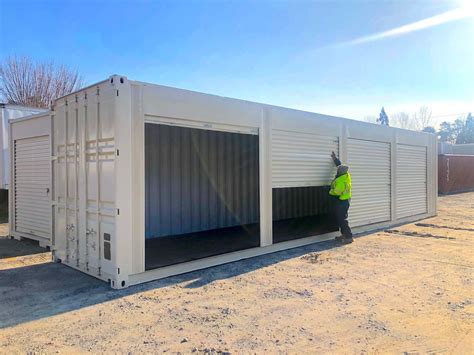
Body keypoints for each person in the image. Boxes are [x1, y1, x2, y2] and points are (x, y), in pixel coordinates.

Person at [329, 151, 353, 244]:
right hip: (345, 200)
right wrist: (335, 159)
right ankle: (345, 234)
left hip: (341, 201)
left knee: (342, 219)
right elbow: (340, 165)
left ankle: (349, 236)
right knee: (340, 218)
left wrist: (329, 191)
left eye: (338, 170)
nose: (337, 170)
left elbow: (336, 192)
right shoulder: (346, 175)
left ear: (339, 172)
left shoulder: (340, 181)